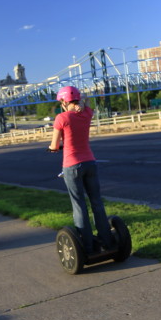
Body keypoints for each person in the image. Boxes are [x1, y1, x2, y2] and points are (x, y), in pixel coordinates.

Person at [48, 86, 111, 252]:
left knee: (79, 205)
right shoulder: (87, 113)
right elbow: (87, 101)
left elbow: (54, 145)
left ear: (63, 101)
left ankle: (89, 246)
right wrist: (81, 104)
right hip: (90, 162)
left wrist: (52, 147)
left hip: (72, 165)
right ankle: (107, 241)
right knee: (97, 202)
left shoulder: (61, 118)